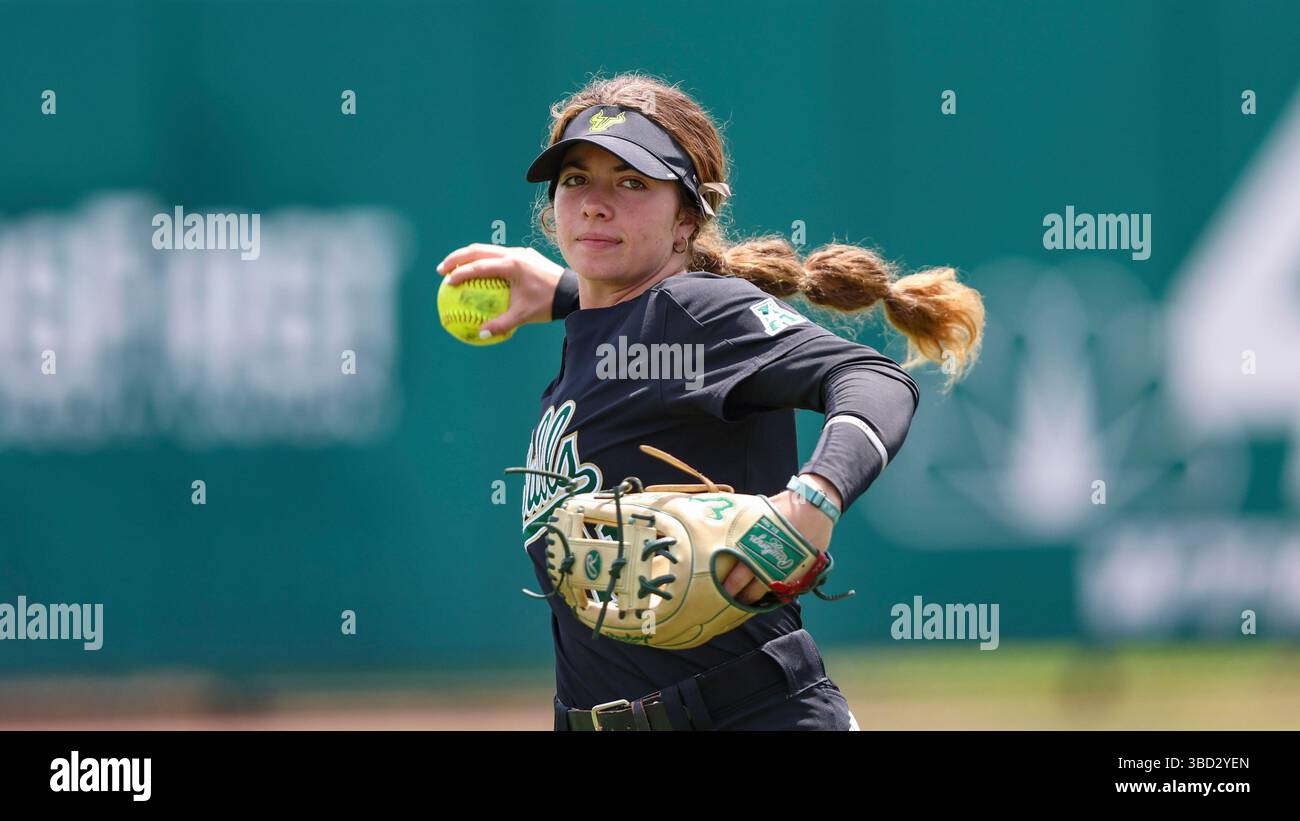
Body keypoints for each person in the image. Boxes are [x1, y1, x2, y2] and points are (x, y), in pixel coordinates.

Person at [438, 73, 985, 730]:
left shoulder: (695, 311)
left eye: (633, 181)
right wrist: (566, 290)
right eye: (576, 178)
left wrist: (815, 496)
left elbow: (874, 379)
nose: (595, 203)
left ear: (687, 219)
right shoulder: (610, 323)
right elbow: (636, 340)